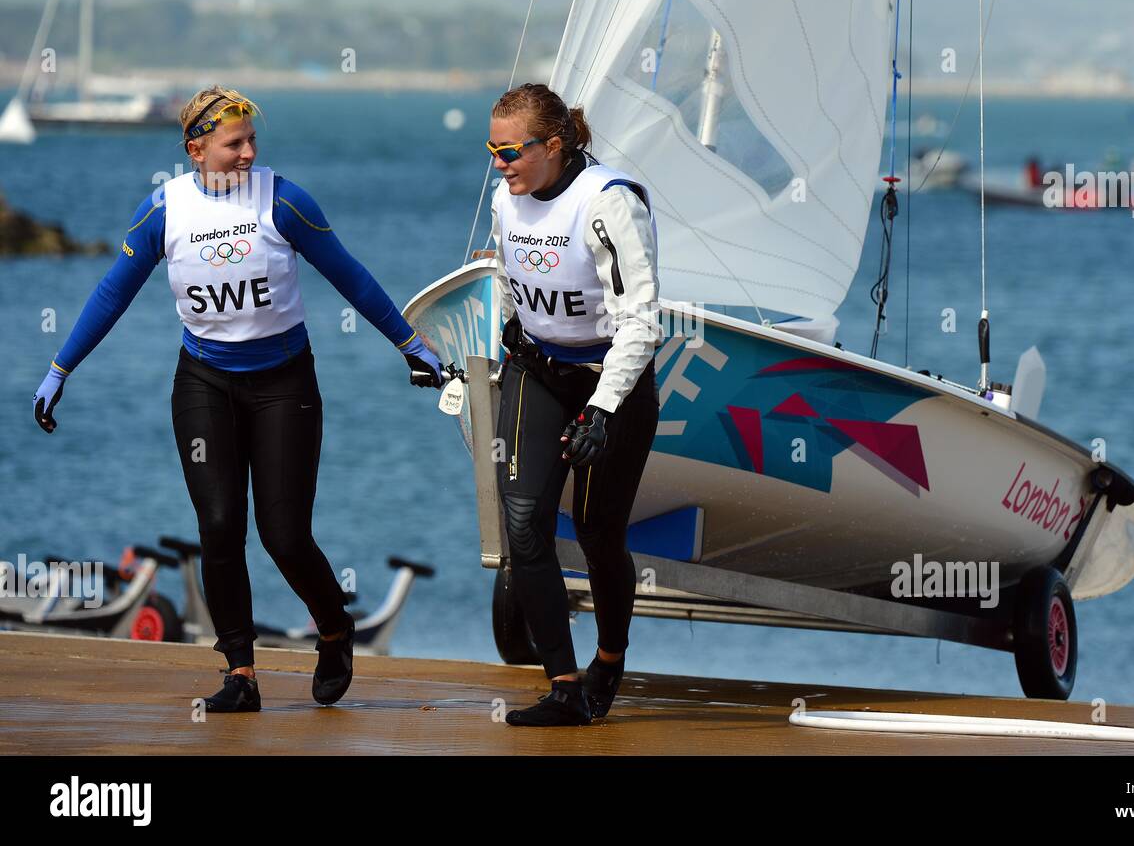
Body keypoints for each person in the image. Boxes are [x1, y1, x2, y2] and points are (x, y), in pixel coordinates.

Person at [31, 87, 445, 713]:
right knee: (219, 526)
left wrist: (411, 344)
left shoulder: (284, 202)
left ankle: (334, 626)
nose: (248, 153)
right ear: (196, 149)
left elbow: (350, 274)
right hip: (204, 384)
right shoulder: (163, 211)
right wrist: (61, 367)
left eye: (253, 140)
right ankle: (241, 673)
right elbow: (112, 293)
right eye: (234, 144)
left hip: (284, 384)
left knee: (283, 534)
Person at [486, 83, 662, 726]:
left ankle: (608, 662)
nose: (499, 165)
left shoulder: (609, 203)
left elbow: (642, 321)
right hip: (538, 372)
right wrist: (511, 324)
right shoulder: (511, 198)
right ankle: (563, 687)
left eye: (510, 152)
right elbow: (508, 271)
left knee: (597, 533)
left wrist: (606, 409)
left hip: (610, 378)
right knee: (525, 521)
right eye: (492, 150)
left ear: (553, 146)